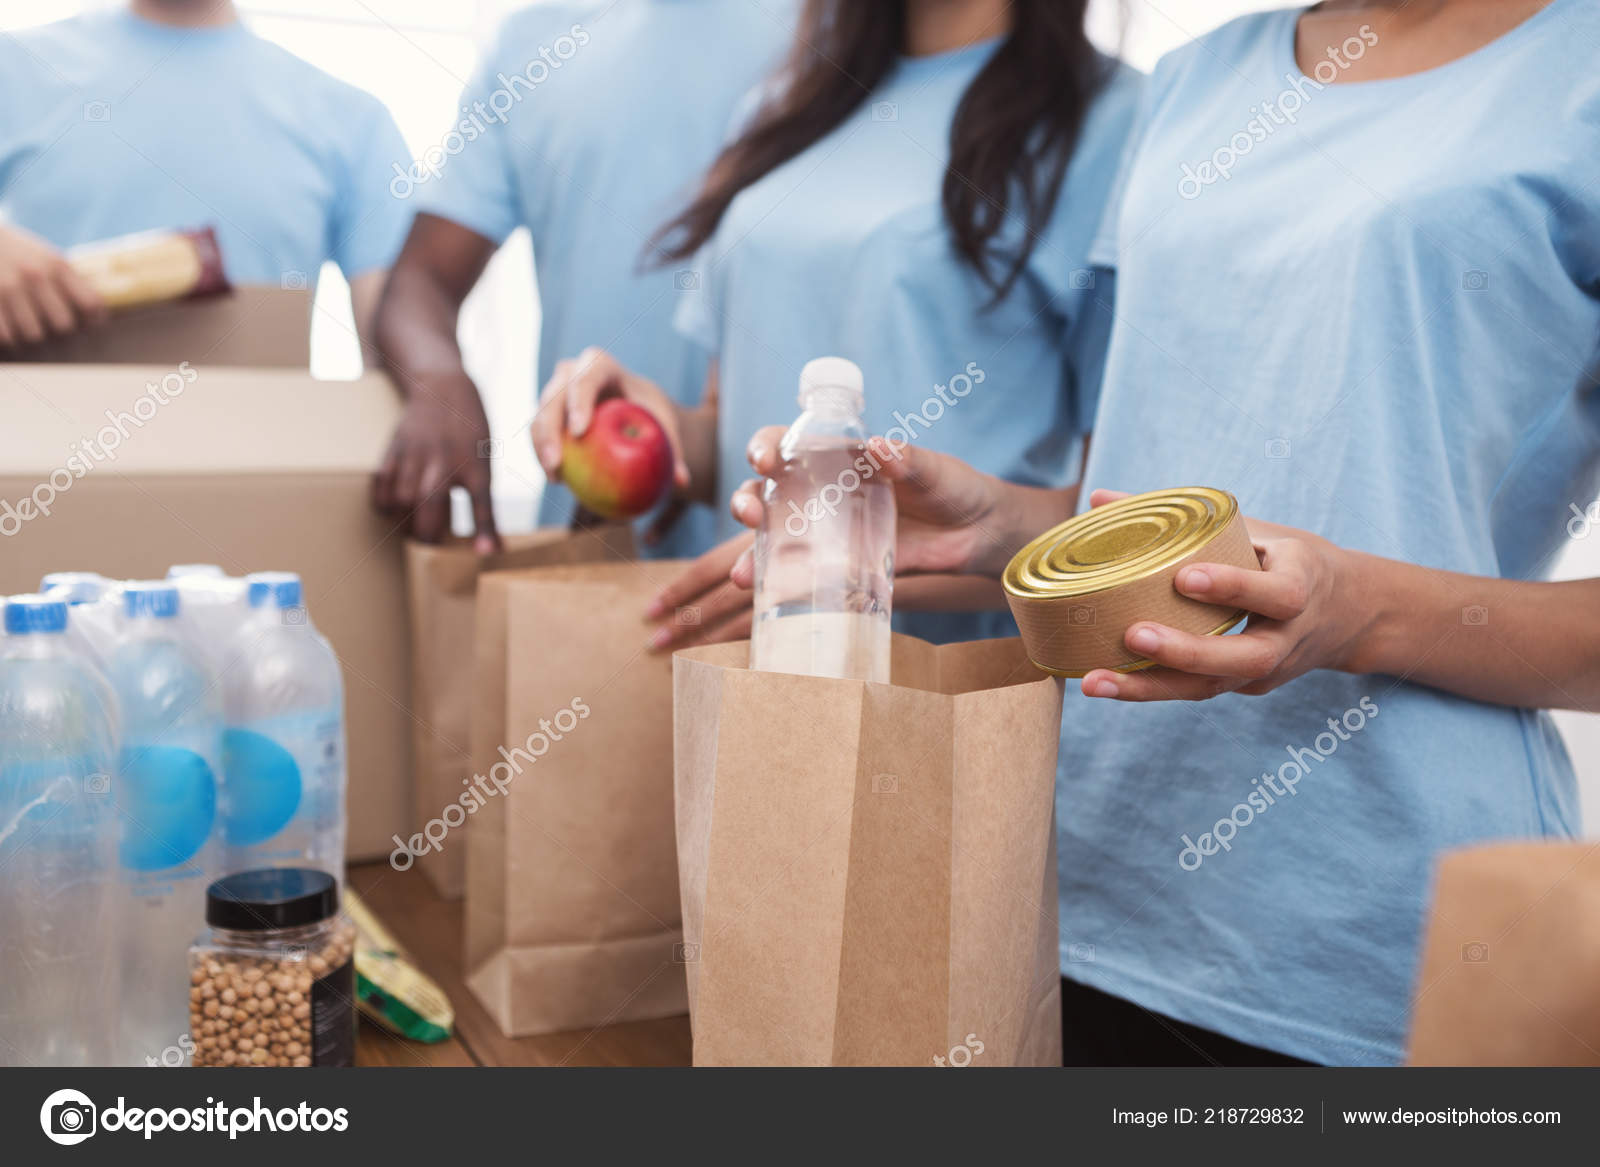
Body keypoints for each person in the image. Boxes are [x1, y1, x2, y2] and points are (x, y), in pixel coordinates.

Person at [722, 0, 1600, 1066]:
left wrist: (1359, 616)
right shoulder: (1196, 82)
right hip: (1074, 887)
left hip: (1374, 945)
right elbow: (1135, 507)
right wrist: (1000, 528)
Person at [531, 0, 1140, 646]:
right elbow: (746, 435)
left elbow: (1116, 520)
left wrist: (847, 569)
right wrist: (659, 427)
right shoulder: (781, 108)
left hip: (943, 681)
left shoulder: (1117, 122)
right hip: (754, 670)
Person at [372, 0, 796, 553]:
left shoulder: (847, 32)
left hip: (801, 551)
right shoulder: (529, 45)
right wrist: (439, 384)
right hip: (590, 546)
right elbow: (421, 279)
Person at [0, 0, 411, 349]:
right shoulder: (13, 67)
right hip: (36, 432)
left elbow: (406, 337)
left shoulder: (354, 121)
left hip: (262, 434)